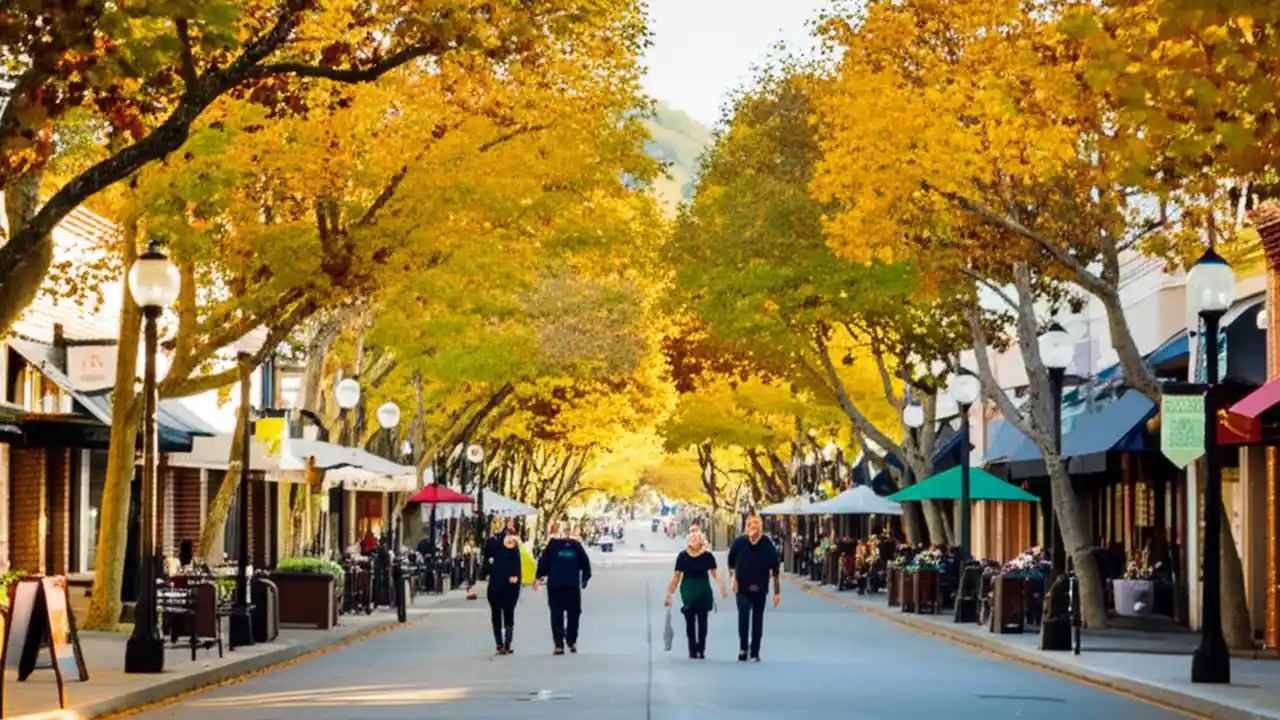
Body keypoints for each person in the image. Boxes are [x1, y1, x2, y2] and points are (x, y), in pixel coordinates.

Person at [664, 529, 727, 659]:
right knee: (690, 622)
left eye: (696, 539)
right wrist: (669, 593)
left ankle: (701, 648)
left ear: (701, 541)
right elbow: (676, 577)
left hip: (703, 591)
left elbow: (715, 574)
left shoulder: (707, 556)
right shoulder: (682, 556)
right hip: (688, 592)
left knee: (702, 621)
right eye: (691, 539)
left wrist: (722, 588)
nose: (693, 541)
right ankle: (693, 648)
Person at [727, 514, 781, 662]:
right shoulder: (739, 543)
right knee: (743, 615)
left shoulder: (767, 544)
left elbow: (775, 570)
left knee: (758, 619)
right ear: (746, 526)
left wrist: (777, 593)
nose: (754, 526)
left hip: (760, 587)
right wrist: (733, 579)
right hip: (742, 587)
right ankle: (743, 647)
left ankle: (755, 651)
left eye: (756, 523)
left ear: (761, 526)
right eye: (751, 523)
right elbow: (731, 563)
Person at [535, 521, 592, 655]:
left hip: (556, 585)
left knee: (557, 614)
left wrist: (539, 576)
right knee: (574, 614)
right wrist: (584, 579)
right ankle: (571, 641)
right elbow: (586, 565)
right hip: (571, 586)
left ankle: (559, 644)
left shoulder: (553, 546)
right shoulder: (575, 546)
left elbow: (543, 563)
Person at [484, 531, 524, 654]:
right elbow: (517, 570)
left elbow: (487, 562)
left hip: (498, 587)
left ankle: (501, 644)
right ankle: (506, 643)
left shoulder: (495, 547)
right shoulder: (513, 551)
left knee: (497, 616)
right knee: (507, 615)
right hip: (506, 588)